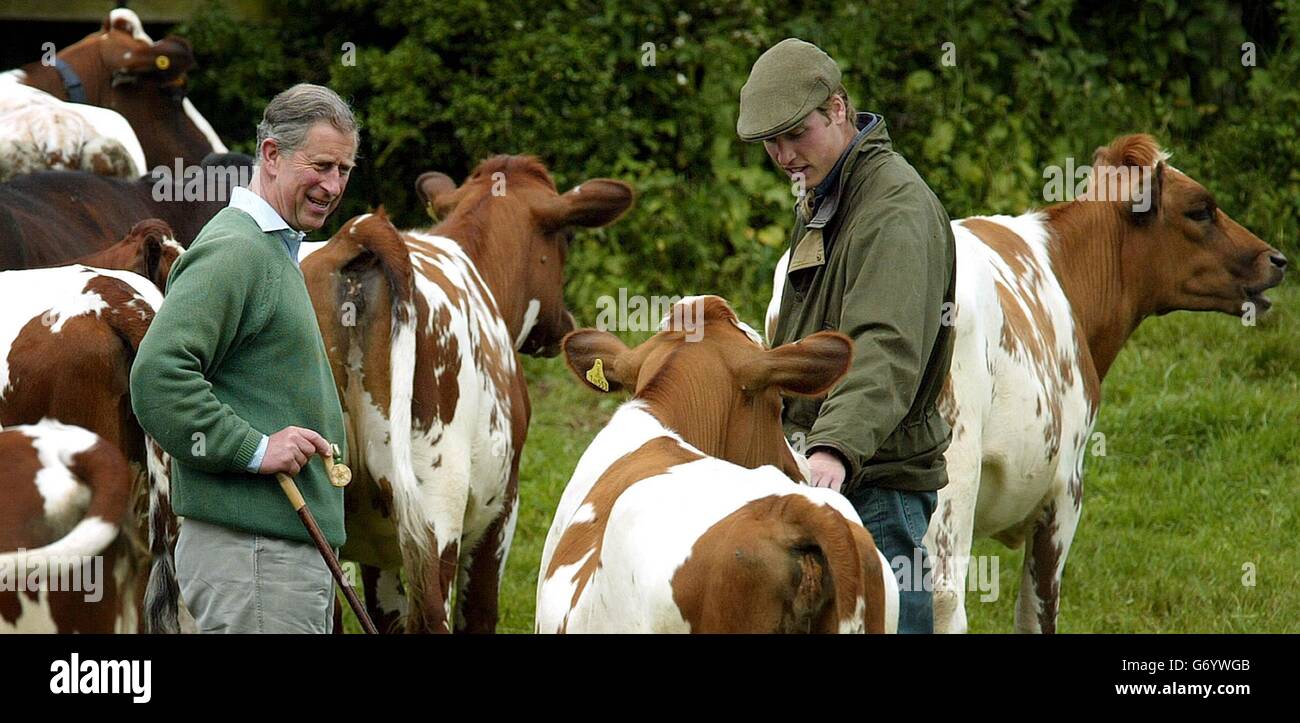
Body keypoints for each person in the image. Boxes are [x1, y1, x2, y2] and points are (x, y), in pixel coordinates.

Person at [738, 39, 957, 633]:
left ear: (837, 110)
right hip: (833, 467)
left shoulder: (895, 212)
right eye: (770, 144)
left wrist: (833, 445)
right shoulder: (828, 191)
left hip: (877, 480)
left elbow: (884, 345)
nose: (783, 156)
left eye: (793, 135)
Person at [131, 83, 359, 633]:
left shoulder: (271, 249)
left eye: (345, 170)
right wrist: (255, 449)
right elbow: (158, 376)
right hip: (256, 561)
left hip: (269, 559)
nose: (333, 185)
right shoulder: (237, 251)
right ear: (273, 155)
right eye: (321, 165)